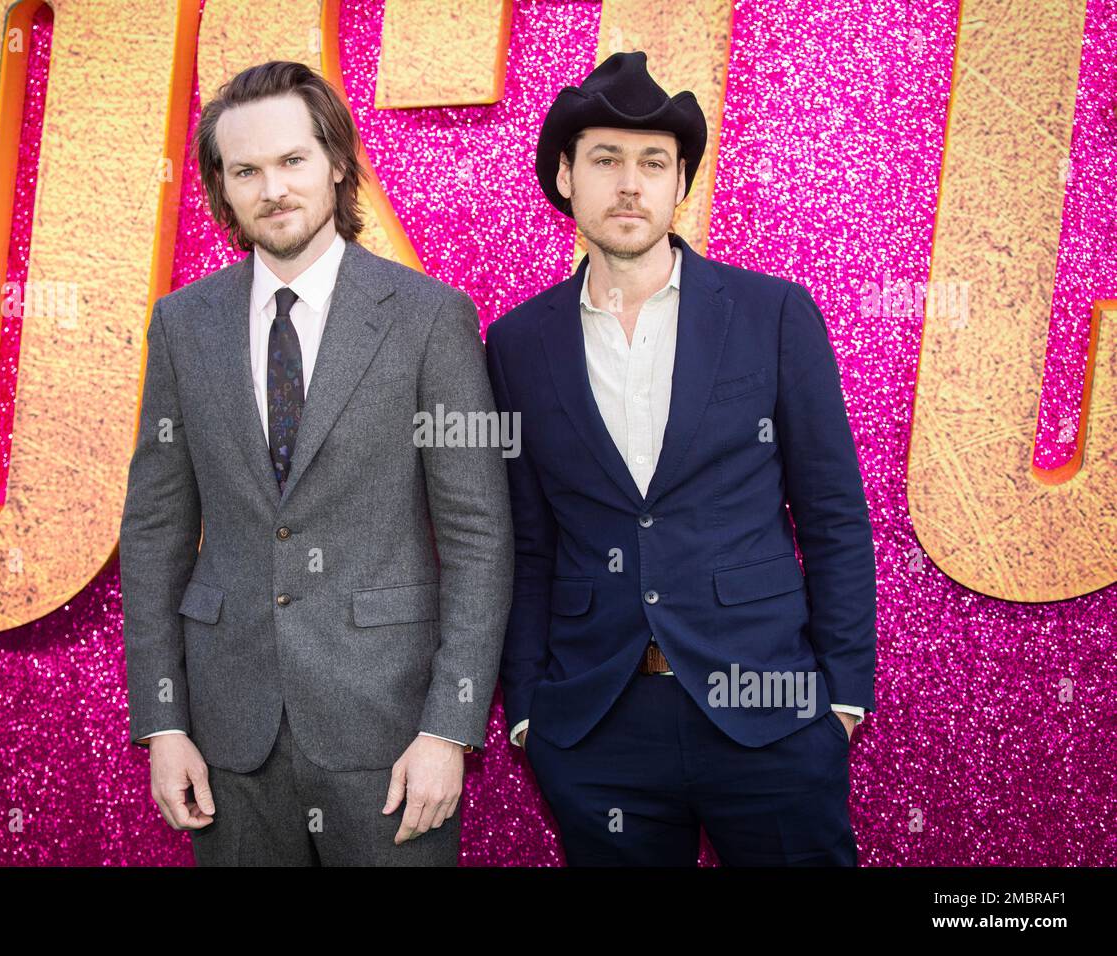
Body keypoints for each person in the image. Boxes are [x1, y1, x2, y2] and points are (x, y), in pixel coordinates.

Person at [485, 51, 877, 865]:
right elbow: (527, 540)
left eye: (653, 163)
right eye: (606, 160)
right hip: (598, 728)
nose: (630, 184)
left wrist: (840, 699)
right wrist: (528, 710)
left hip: (770, 714)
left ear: (679, 185)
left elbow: (834, 516)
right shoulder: (517, 343)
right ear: (565, 177)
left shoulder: (772, 314)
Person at [119, 61, 513, 866]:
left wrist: (449, 728)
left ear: (337, 161)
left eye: (293, 161)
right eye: (246, 170)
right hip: (228, 737)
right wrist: (164, 723)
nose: (273, 188)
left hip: (392, 733)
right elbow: (156, 532)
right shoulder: (182, 326)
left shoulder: (431, 319)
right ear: (221, 189)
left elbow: (478, 538)